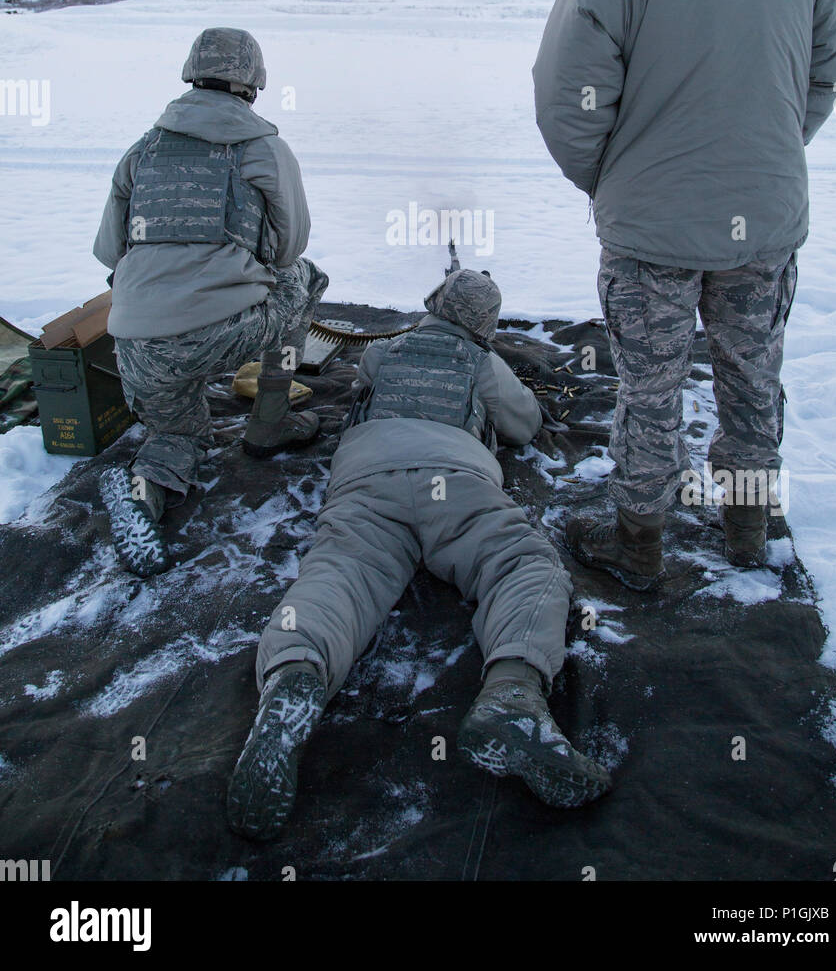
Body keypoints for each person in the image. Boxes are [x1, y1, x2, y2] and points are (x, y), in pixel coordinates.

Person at [533, 0, 836, 590]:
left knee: (650, 386)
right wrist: (770, 151)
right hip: (765, 222)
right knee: (751, 378)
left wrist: (610, 180)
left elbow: (565, 96)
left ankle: (638, 543)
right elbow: (826, 70)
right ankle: (747, 529)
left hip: (651, 231)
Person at [226, 268, 611, 839]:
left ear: (432, 304)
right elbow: (525, 426)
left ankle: (294, 675)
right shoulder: (482, 363)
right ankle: (513, 690)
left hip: (365, 478)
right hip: (455, 481)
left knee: (337, 576)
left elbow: (366, 393)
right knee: (522, 566)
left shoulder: (384, 350)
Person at [93, 27, 328, 578]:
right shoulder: (264, 147)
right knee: (306, 279)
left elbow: (109, 252)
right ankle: (269, 423)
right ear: (253, 83)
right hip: (224, 334)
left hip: (137, 343)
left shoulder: (142, 148)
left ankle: (145, 487)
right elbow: (291, 248)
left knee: (179, 435)